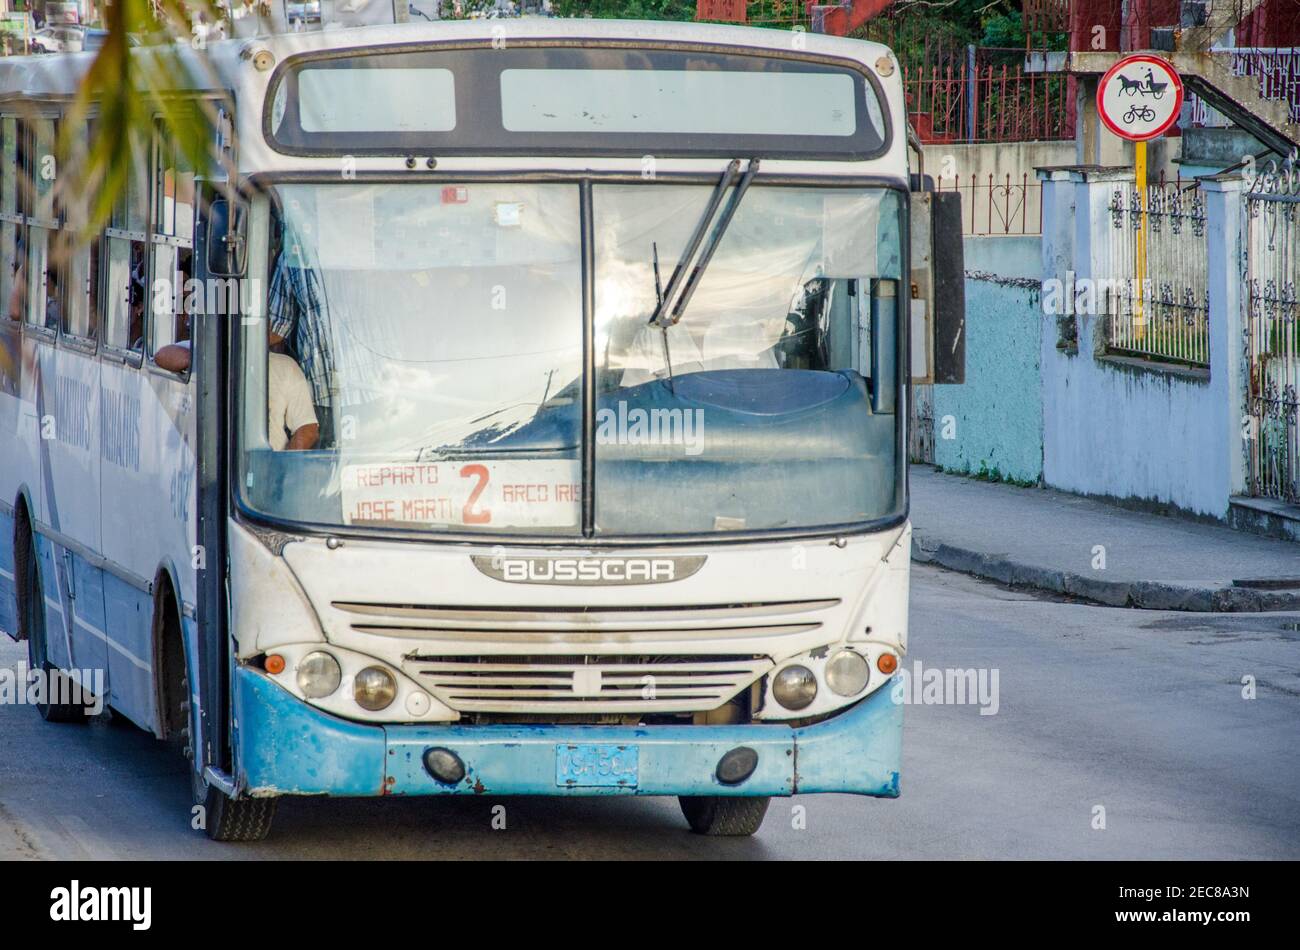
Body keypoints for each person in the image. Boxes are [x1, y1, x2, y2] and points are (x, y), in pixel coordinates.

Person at [154, 311, 319, 451]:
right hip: (213, 460)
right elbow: (162, 356)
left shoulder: (285, 366)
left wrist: (281, 471)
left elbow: (307, 429)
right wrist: (208, 360)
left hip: (264, 461)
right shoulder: (208, 350)